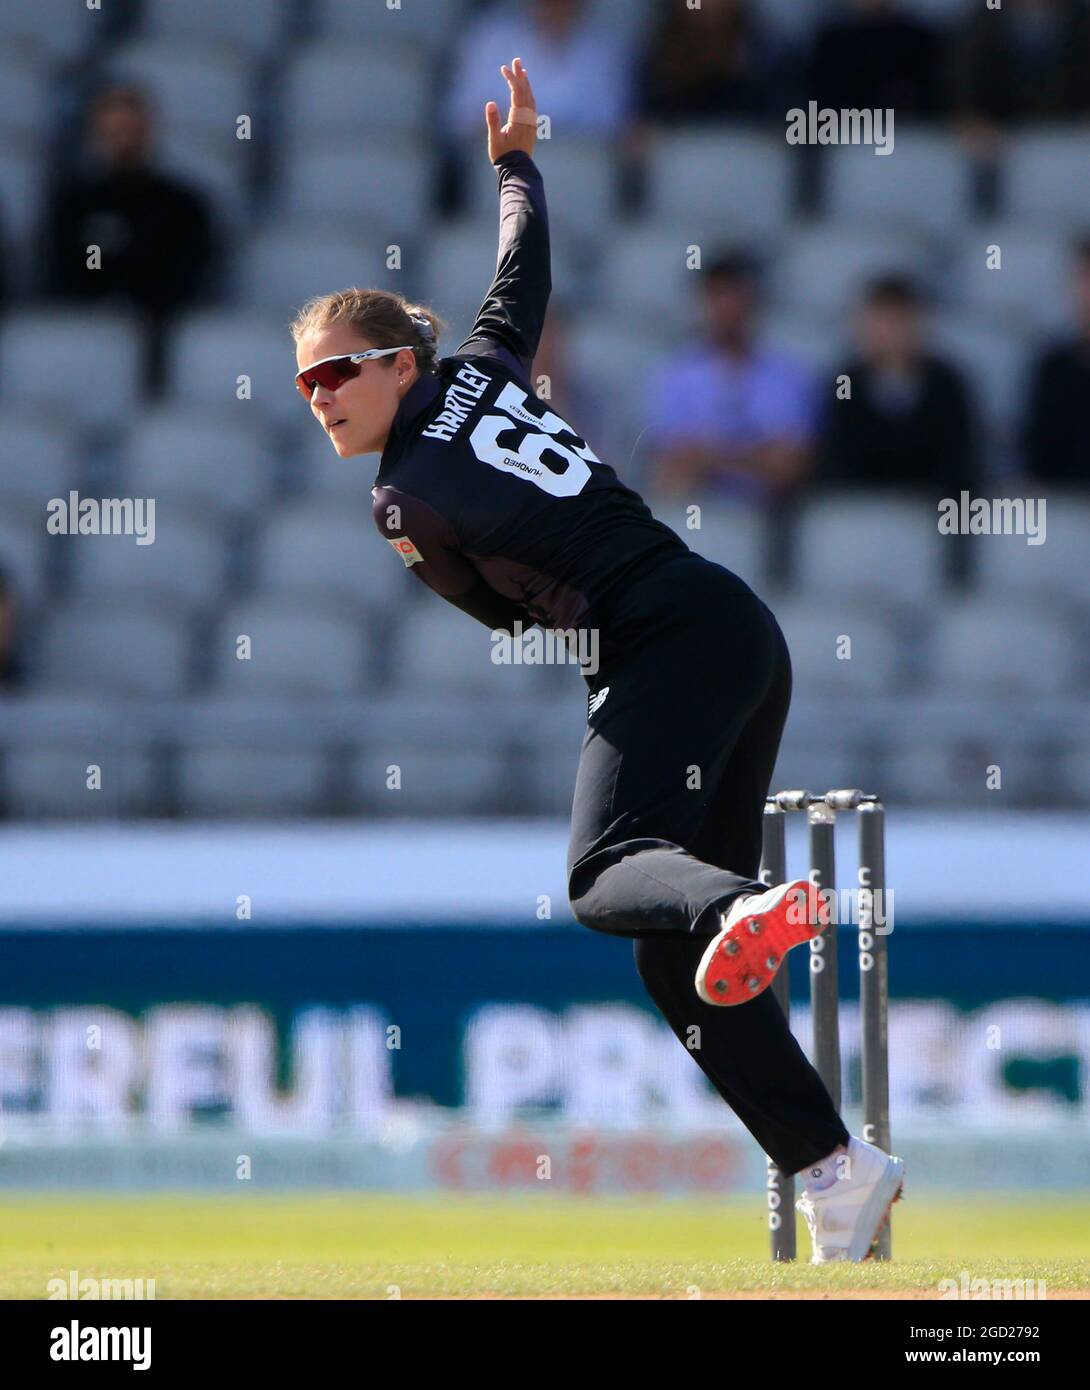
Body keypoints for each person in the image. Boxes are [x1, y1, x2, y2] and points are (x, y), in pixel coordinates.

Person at [290, 58, 903, 1262]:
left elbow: (511, 626)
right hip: (733, 622)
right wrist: (514, 161)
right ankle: (837, 1171)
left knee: (600, 875)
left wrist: (584, 641)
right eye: (304, 381)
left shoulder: (403, 498)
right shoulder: (479, 367)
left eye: (335, 372)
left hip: (662, 641)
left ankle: (749, 901)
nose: (318, 396)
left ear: (395, 367)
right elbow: (524, 268)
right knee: (685, 973)